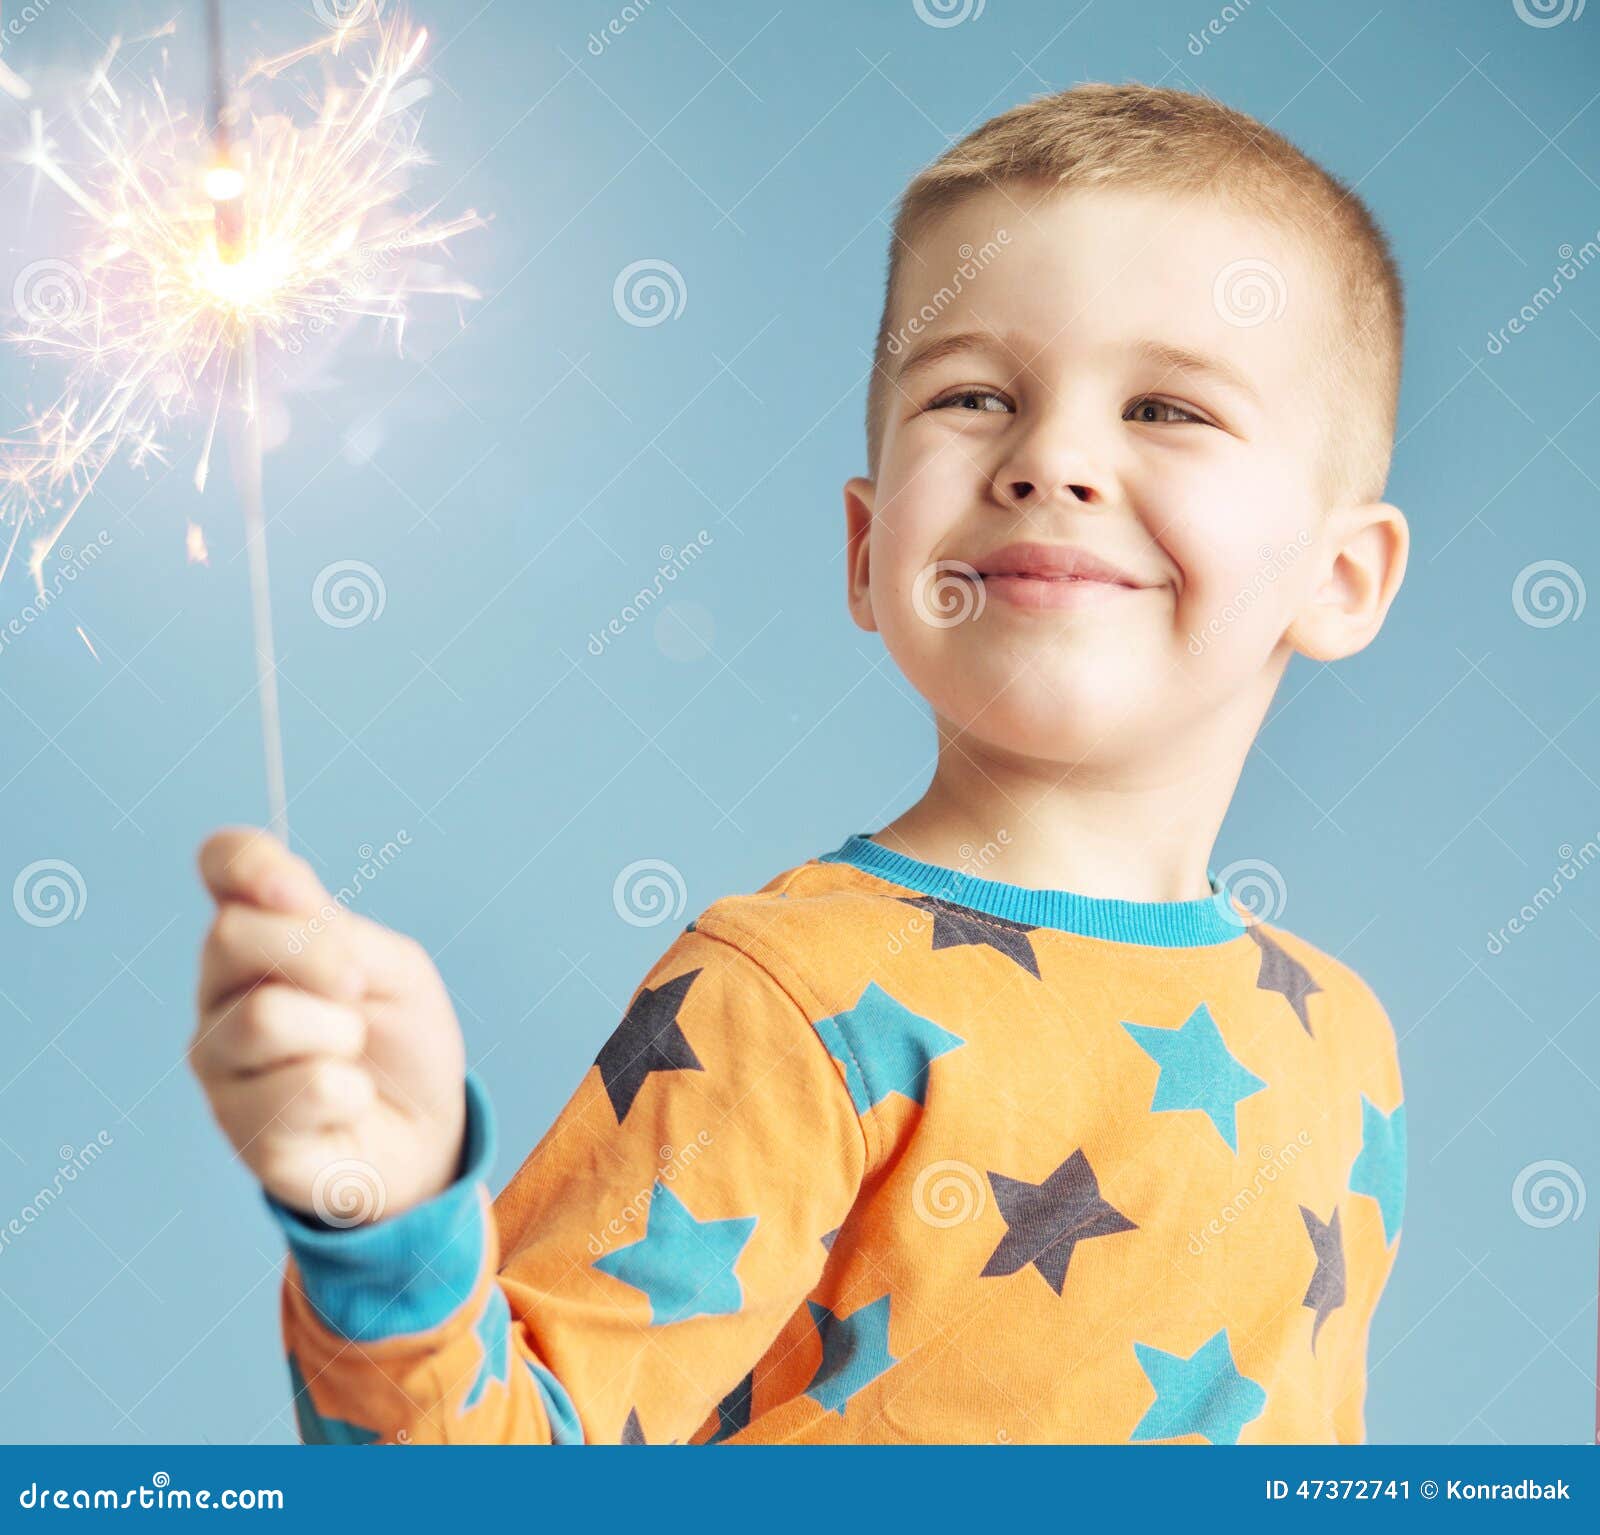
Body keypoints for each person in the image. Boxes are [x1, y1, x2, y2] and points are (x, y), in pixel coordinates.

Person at [189, 81, 1410, 1445]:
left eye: (1170, 409)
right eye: (974, 394)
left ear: (1342, 577)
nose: (1050, 456)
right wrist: (394, 1224)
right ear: (867, 551)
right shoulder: (791, 997)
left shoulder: (1342, 1041)